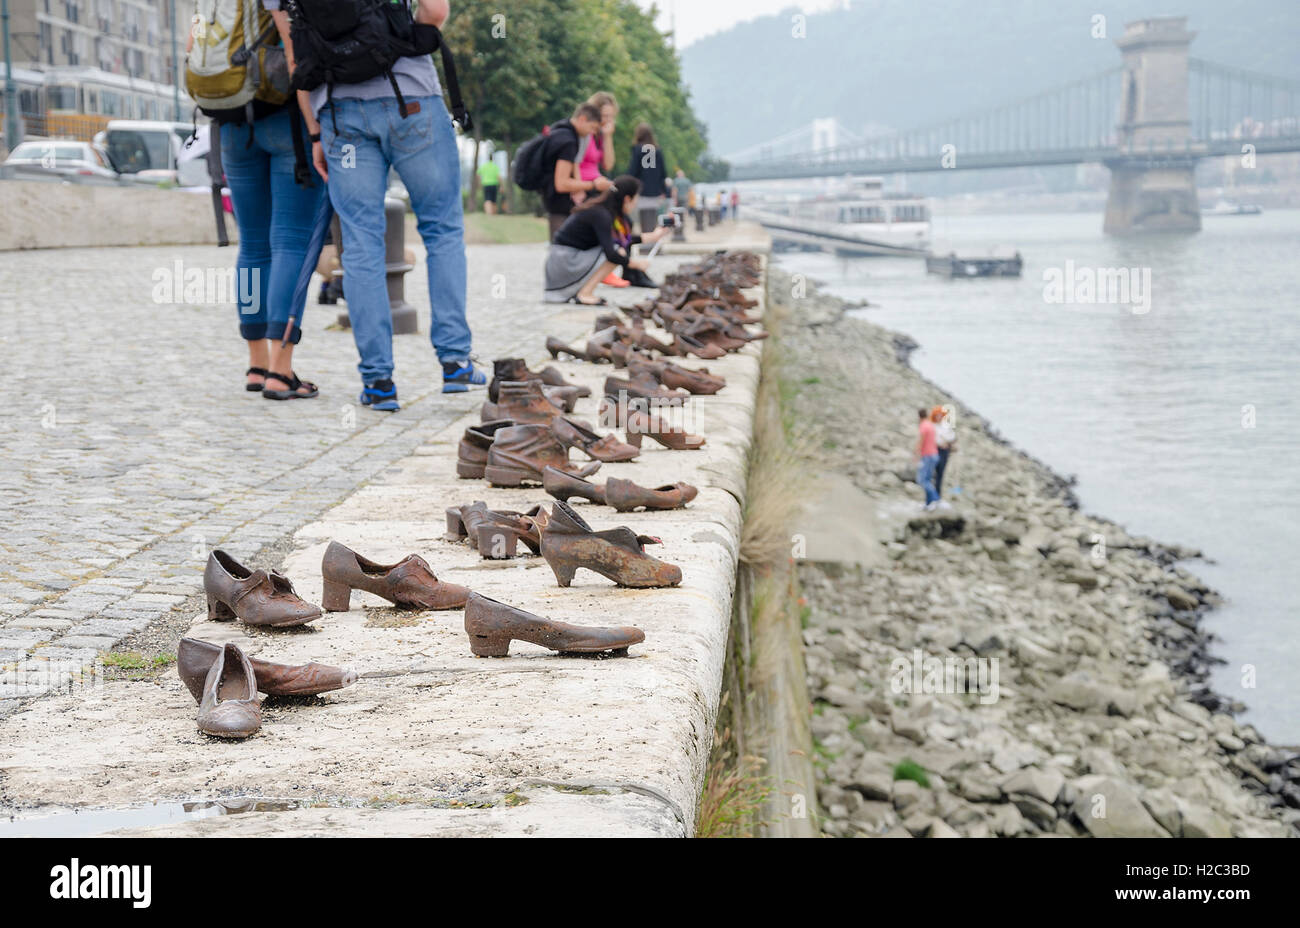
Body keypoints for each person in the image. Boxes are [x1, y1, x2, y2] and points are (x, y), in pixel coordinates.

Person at [297, 0, 485, 409]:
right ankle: (454, 361)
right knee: (442, 230)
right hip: (412, 102)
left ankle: (379, 381)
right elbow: (434, 11)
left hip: (340, 111)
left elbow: (297, 51)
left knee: (361, 243)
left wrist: (315, 135)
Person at [198, 4, 327, 400]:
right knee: (290, 241)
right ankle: (280, 370)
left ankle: (256, 364)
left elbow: (195, 45)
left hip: (232, 122)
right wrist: (316, 131)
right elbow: (295, 54)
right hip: (287, 120)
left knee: (252, 246)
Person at [543, 175, 672, 306]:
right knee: (617, 251)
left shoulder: (603, 211)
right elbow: (611, 253)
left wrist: (654, 236)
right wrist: (636, 264)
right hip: (563, 262)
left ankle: (583, 292)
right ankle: (585, 294)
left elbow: (623, 239)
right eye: (635, 200)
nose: (635, 204)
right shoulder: (601, 215)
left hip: (563, 262)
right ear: (627, 199)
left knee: (618, 248)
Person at [573, 93, 624, 287]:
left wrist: (608, 136)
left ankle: (612, 267)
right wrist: (578, 188)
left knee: (619, 216)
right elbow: (575, 161)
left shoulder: (600, 136)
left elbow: (608, 164)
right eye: (605, 116)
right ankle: (603, 268)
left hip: (597, 182)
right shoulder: (585, 132)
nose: (608, 120)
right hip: (585, 185)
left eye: (611, 116)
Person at [542, 103, 610, 241]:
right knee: (562, 247)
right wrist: (593, 185)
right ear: (583, 119)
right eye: (592, 128)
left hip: (556, 196)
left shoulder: (562, 130)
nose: (592, 133)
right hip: (558, 200)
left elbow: (575, 162)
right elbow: (561, 184)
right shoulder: (568, 141)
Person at [626, 123, 668, 237]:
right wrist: (664, 190)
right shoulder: (657, 150)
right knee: (653, 218)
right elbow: (663, 173)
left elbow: (633, 170)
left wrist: (627, 186)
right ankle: (653, 242)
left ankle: (646, 244)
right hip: (655, 190)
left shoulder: (637, 149)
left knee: (643, 219)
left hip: (641, 189)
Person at [914, 407, 940, 510]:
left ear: (919, 416)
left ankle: (935, 499)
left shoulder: (923, 426)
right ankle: (928, 504)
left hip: (928, 455)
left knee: (922, 480)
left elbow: (921, 441)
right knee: (928, 479)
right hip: (934, 454)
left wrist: (916, 455)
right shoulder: (930, 425)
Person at [932, 405, 956, 506]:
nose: (939, 417)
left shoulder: (946, 426)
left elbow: (952, 437)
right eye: (938, 415)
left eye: (941, 415)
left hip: (944, 451)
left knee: (940, 473)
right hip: (935, 450)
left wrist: (947, 443)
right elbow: (932, 439)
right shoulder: (933, 426)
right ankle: (932, 496)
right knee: (934, 473)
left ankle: (938, 496)